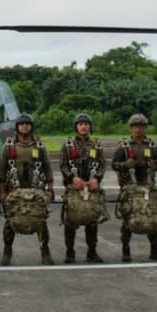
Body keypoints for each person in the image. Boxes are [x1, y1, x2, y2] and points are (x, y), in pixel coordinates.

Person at [0, 114, 54, 266]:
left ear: (31, 126)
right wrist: (2, 192)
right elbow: (1, 171)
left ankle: (45, 251)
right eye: (22, 124)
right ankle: (7, 251)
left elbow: (47, 168)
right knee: (10, 221)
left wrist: (50, 188)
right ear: (17, 127)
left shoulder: (39, 146)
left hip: (36, 189)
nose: (25, 126)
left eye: (28, 124)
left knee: (40, 221)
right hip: (14, 190)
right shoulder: (9, 146)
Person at [113, 114, 157, 262]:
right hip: (129, 187)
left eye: (141, 126)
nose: (137, 129)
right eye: (135, 126)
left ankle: (154, 249)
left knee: (152, 216)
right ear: (131, 128)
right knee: (128, 217)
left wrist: (156, 165)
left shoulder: (152, 146)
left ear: (145, 128)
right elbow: (114, 165)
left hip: (148, 186)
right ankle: (126, 250)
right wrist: (125, 165)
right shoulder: (123, 146)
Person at [60, 113, 106, 263]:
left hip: (91, 187)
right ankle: (70, 251)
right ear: (76, 127)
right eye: (80, 124)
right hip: (74, 187)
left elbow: (102, 164)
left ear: (90, 127)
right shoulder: (68, 145)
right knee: (71, 220)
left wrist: (96, 179)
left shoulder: (96, 145)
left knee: (92, 220)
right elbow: (63, 165)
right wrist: (72, 178)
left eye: (86, 124)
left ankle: (91, 251)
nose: (84, 126)